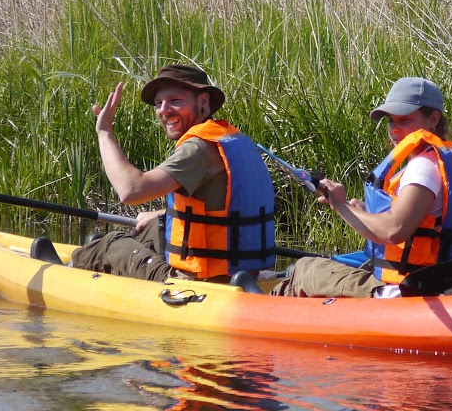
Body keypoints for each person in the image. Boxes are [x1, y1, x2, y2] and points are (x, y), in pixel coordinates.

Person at [45, 63, 278, 283]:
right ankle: (92, 252)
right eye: (159, 103)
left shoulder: (197, 148)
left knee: (110, 244)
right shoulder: (230, 138)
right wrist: (161, 214)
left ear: (203, 102)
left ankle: (62, 272)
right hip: (244, 270)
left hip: (202, 280)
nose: (164, 110)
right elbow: (221, 208)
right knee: (154, 227)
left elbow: (131, 190)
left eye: (175, 101)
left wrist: (105, 132)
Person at [270, 77, 452, 298]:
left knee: (305, 268)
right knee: (326, 265)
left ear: (433, 118)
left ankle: (254, 311)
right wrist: (363, 210)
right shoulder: (446, 161)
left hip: (414, 287)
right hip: (445, 279)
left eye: (404, 120)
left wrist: (340, 206)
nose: (394, 130)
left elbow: (394, 230)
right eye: (390, 121)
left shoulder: (423, 168)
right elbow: (424, 223)